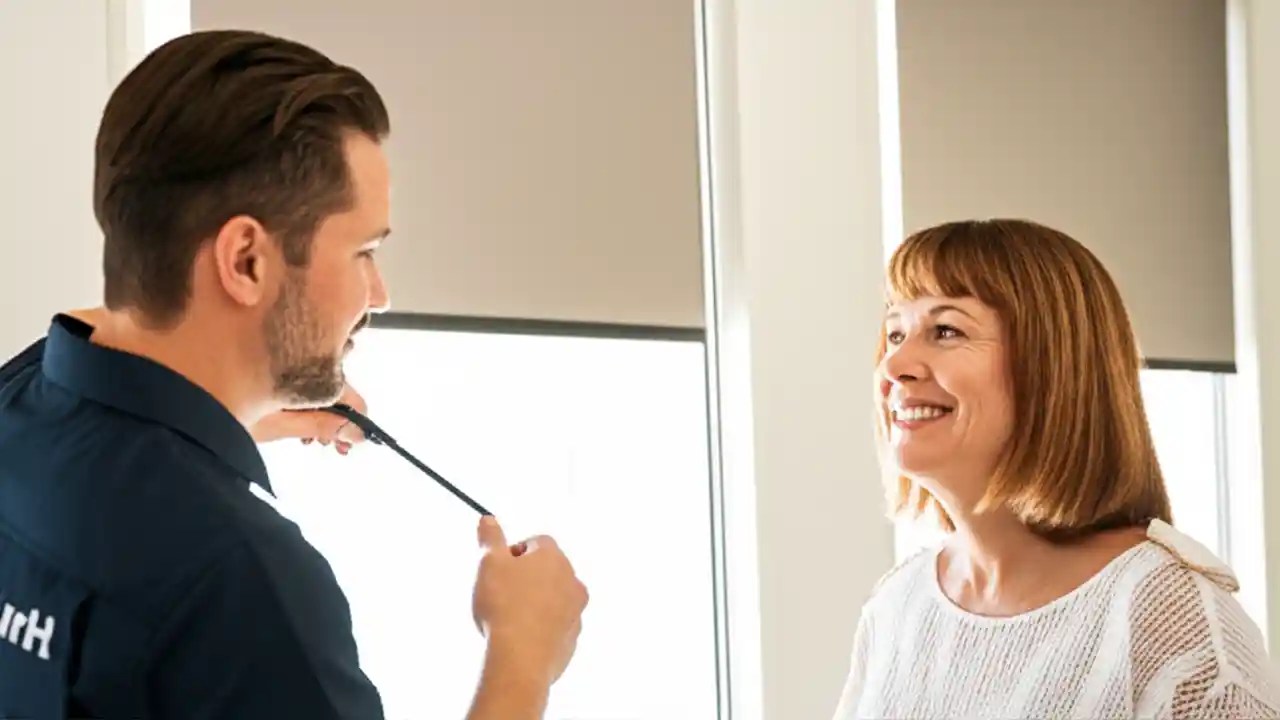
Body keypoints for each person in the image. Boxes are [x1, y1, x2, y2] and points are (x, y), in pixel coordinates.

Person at [0, 29, 587, 719]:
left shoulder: (22, 400)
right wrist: (521, 660)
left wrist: (228, 401)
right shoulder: (242, 583)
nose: (379, 293)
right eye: (363, 251)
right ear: (246, 259)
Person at [834, 219, 1280, 718]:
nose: (895, 365)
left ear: (1052, 367)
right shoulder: (898, 607)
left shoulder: (1168, 618)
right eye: (895, 332)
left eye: (945, 330)